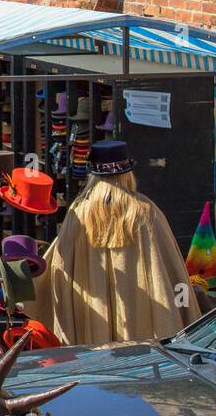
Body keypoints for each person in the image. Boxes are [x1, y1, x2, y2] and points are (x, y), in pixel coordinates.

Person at [30, 140, 202, 344]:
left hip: (91, 325)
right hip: (143, 330)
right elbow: (170, 272)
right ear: (127, 172)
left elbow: (58, 268)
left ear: (92, 174)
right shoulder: (145, 210)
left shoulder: (79, 213)